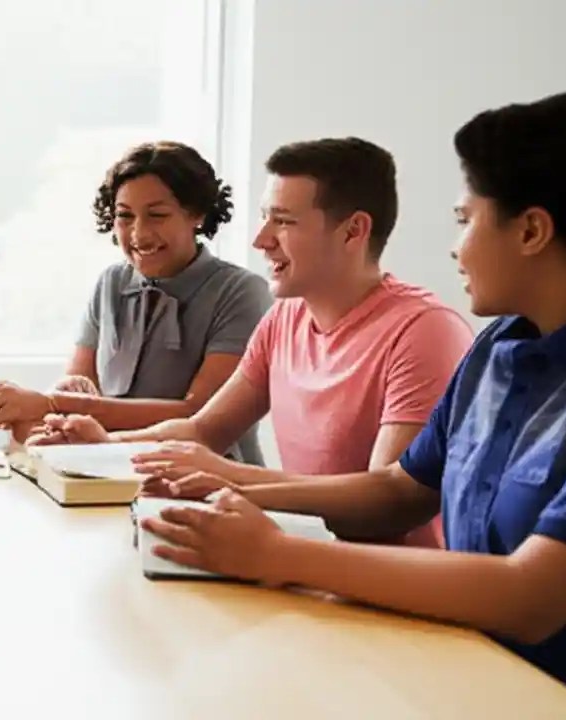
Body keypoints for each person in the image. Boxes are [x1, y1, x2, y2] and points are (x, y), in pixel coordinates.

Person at [139, 87, 566, 716]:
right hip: (466, 672)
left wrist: (279, 554)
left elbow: (531, 595)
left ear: (532, 229)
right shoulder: (499, 348)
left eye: (465, 221)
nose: (455, 248)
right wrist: (228, 494)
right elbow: (399, 488)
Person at [34, 138, 473, 546]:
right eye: (266, 217)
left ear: (353, 231)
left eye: (282, 221)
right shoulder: (285, 317)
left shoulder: (424, 331)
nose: (261, 239)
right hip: (307, 564)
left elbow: (387, 503)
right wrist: (104, 447)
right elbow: (204, 430)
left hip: (387, 596)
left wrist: (232, 478)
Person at [0, 141, 271, 460]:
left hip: (213, 481)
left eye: (157, 215)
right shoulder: (111, 283)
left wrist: (52, 403)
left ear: (196, 213)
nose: (139, 234)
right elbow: (79, 388)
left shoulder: (241, 291)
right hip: (111, 470)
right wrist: (50, 408)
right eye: (124, 216)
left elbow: (198, 414)